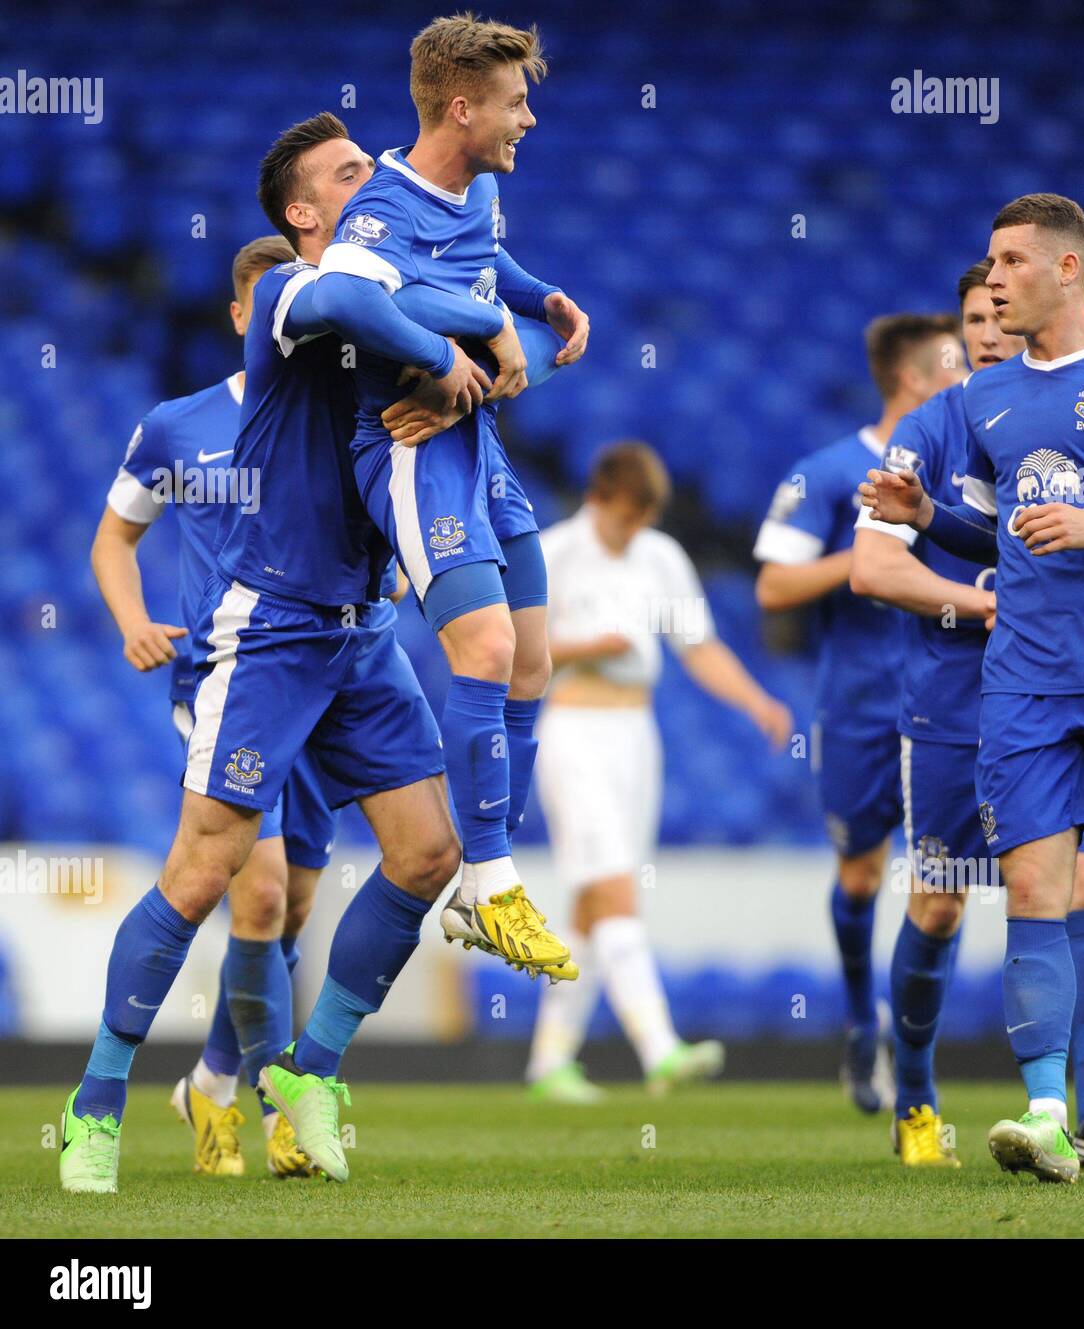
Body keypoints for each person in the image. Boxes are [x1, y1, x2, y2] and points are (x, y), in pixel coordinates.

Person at [60, 113, 500, 1193]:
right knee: (216, 878)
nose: (381, 180)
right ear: (305, 215)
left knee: (427, 855)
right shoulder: (304, 304)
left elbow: (466, 323)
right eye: (353, 174)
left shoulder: (382, 293)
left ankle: (306, 1074)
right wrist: (462, 343)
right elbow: (374, 307)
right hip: (263, 636)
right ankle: (97, 1104)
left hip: (361, 633)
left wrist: (503, 329)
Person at [860, 193, 1084, 1183]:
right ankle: (1045, 1117)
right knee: (1030, 889)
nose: (993, 281)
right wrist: (927, 511)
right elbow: (1001, 536)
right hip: (1022, 683)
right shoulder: (984, 402)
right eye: (987, 264)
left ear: (1067, 268)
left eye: (1012, 262)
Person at [312, 14, 590, 976]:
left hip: (475, 446)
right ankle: (493, 877)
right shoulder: (381, 207)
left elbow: (481, 268)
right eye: (517, 103)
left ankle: (483, 885)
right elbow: (354, 294)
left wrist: (535, 297)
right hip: (406, 447)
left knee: (533, 662)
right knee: (486, 646)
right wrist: (478, 327)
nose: (531, 119)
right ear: (462, 106)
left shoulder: (474, 193)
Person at [526, 442, 791, 1101]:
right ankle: (659, 1047)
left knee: (593, 901)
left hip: (635, 736)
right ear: (598, 499)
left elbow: (698, 648)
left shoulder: (661, 558)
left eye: (643, 518)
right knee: (615, 890)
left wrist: (755, 698)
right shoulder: (555, 552)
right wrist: (591, 644)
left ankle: (549, 1060)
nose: (634, 529)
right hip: (575, 729)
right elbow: (518, 654)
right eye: (625, 517)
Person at [753, 314, 964, 1111]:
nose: (970, 373)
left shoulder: (969, 464)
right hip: (860, 705)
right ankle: (855, 1020)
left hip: (947, 703)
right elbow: (774, 587)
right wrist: (873, 547)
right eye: (954, 361)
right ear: (913, 379)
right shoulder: (829, 470)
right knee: (862, 873)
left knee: (942, 881)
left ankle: (921, 1070)